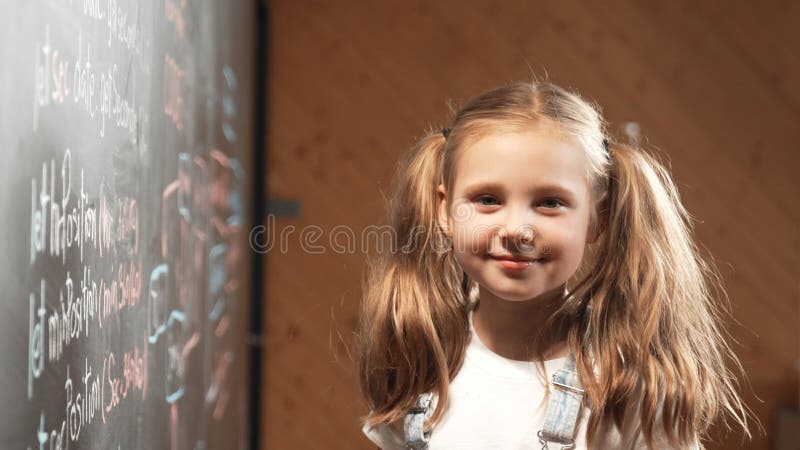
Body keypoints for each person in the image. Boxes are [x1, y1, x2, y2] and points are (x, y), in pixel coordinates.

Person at [355, 80, 754, 449]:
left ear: (597, 217)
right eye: (488, 199)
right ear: (444, 210)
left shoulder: (627, 385)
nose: (516, 229)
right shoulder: (418, 357)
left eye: (550, 203)